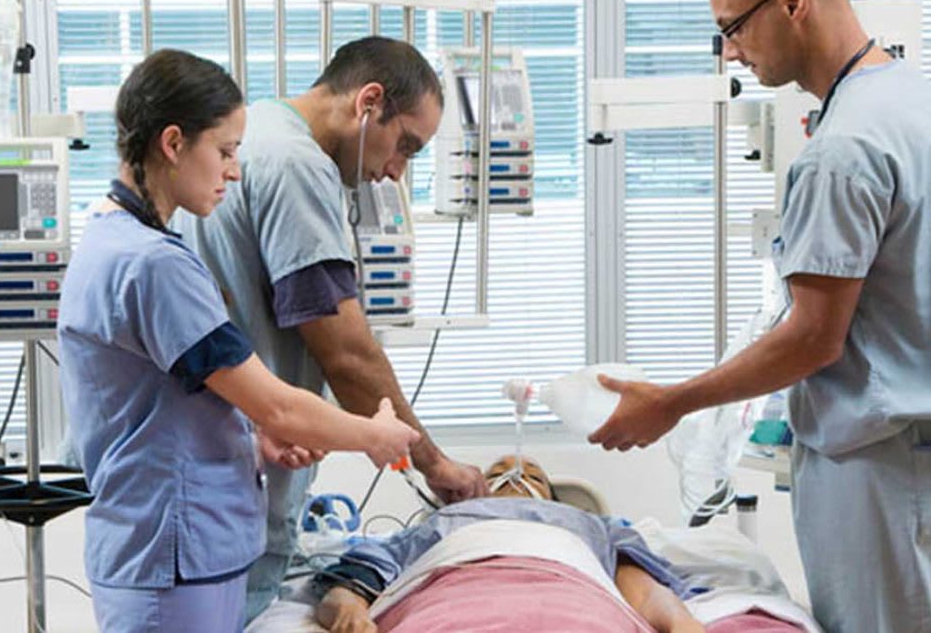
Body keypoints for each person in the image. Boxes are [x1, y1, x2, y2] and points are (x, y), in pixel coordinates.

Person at [588, 0, 931, 631]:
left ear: (793, 2)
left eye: (735, 28)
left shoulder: (841, 152)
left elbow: (812, 336)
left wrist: (672, 401)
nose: (731, 52)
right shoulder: (911, 101)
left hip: (876, 474)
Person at [57, 48, 420, 633]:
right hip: (173, 556)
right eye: (224, 151)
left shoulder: (114, 240)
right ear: (173, 144)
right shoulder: (154, 266)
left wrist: (252, 443)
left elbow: (157, 410)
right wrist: (374, 436)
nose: (234, 170)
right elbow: (273, 401)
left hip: (173, 547)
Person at [174, 36, 488, 620]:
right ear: (369, 103)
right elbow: (346, 355)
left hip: (220, 469)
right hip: (236, 483)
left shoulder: (260, 131)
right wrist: (434, 464)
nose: (395, 172)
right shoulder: (297, 166)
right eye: (405, 147)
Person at [310, 456, 810, 633]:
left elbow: (636, 582)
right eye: (500, 471)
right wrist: (348, 612)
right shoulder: (441, 523)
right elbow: (355, 581)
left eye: (530, 473)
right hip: (454, 591)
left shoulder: (582, 523)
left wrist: (679, 622)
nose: (514, 476)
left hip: (567, 590)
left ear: (548, 495)